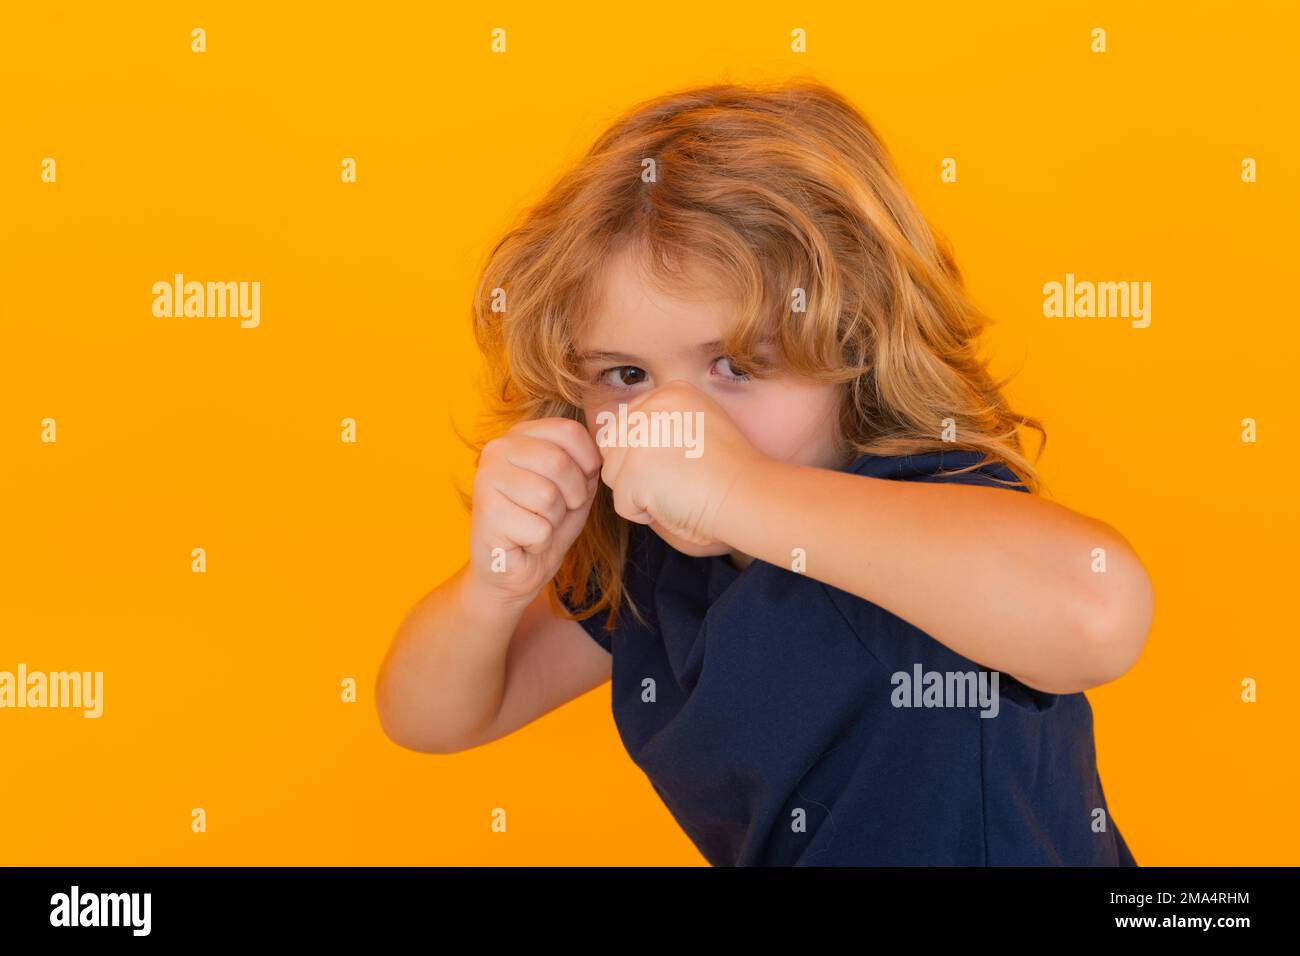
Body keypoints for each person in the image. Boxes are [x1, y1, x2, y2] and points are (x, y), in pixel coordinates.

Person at [376, 79, 1152, 865]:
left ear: (857, 351)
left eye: (736, 365)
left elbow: (1098, 612)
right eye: (625, 376)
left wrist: (734, 490)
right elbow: (428, 718)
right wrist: (493, 591)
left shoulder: (920, 503)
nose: (675, 424)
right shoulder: (661, 571)